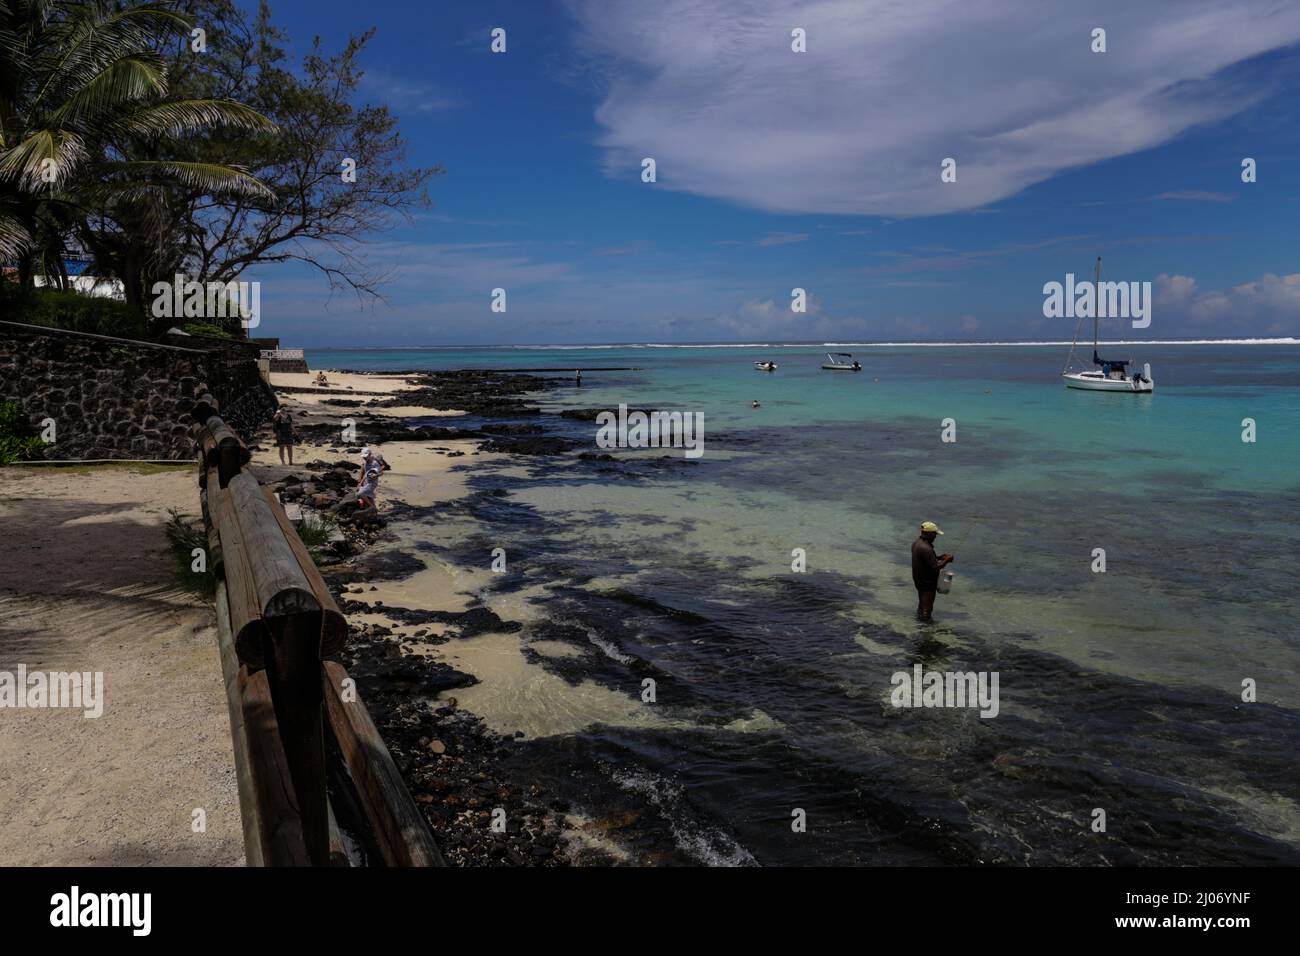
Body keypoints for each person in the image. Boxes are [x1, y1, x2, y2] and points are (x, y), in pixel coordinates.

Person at [911, 521, 953, 623]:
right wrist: (947, 560)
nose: (935, 537)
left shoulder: (916, 543)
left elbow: (926, 560)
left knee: (922, 604)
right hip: (927, 583)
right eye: (934, 534)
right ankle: (926, 629)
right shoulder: (927, 549)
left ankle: (918, 622)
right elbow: (935, 567)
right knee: (927, 608)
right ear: (929, 534)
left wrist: (939, 557)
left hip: (919, 581)